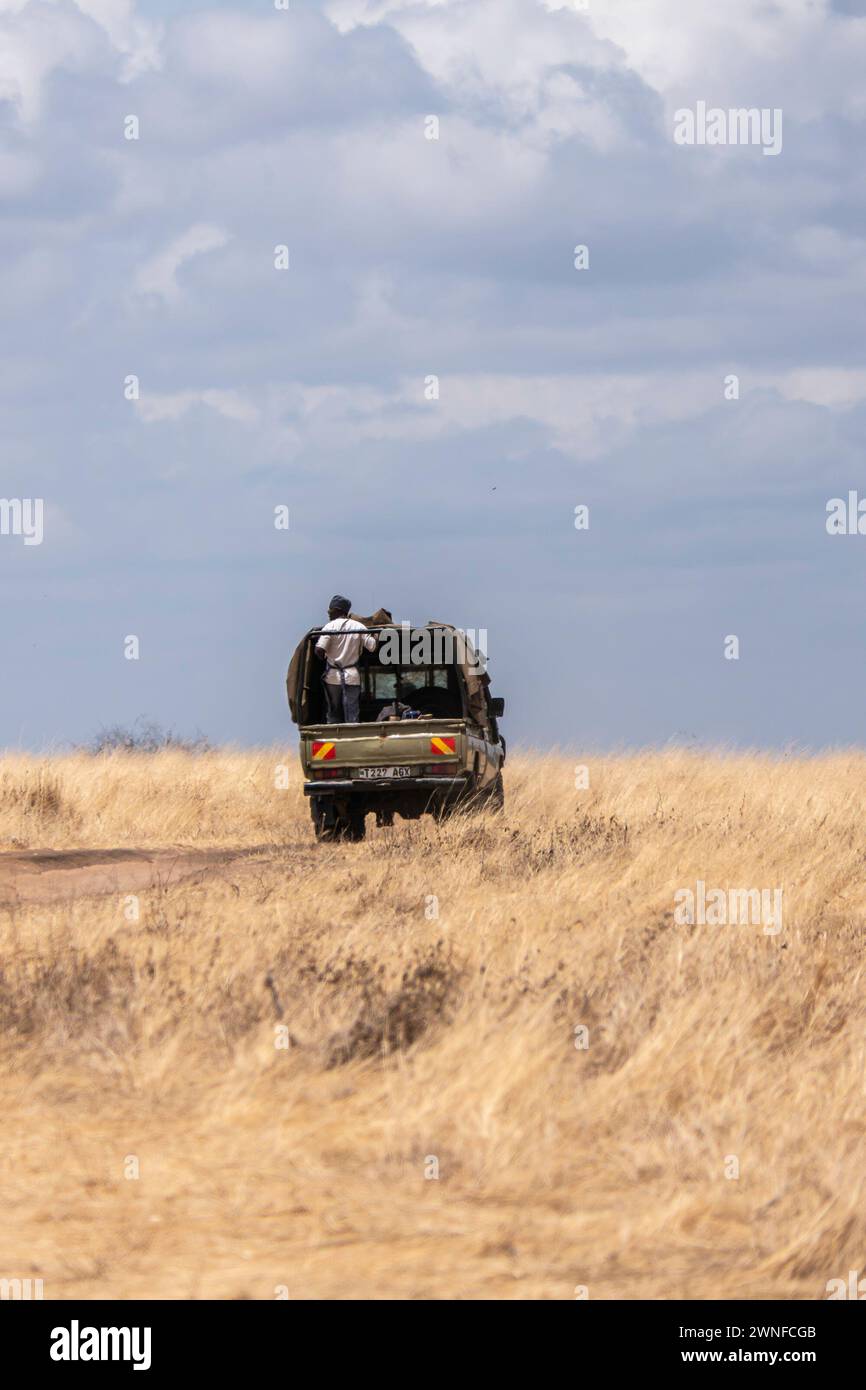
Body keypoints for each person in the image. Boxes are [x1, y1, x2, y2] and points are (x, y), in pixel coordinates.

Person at [314, 595, 377, 724]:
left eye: (330, 611)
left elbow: (319, 650)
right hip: (352, 675)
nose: (328, 614)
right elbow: (372, 647)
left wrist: (325, 657)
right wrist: (376, 636)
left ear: (337, 610)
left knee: (333, 709)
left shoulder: (329, 627)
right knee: (352, 710)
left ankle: (334, 732)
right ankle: (352, 731)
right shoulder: (359, 627)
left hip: (333, 676)